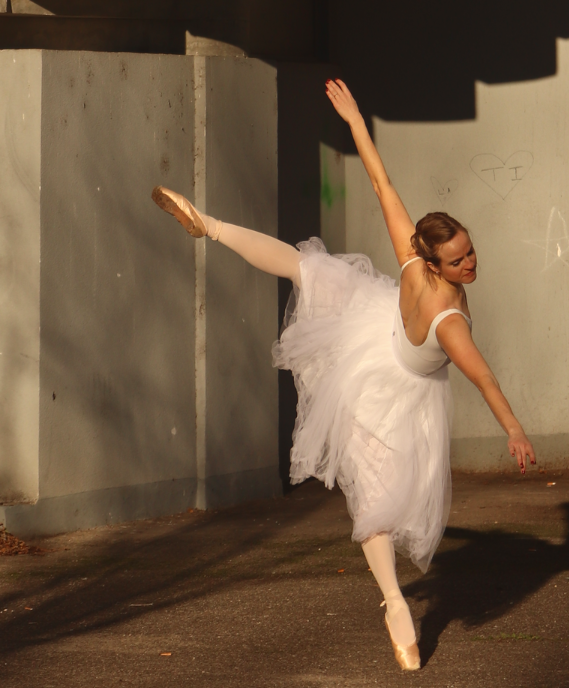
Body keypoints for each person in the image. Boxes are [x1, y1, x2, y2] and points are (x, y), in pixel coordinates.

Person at [151, 78, 535, 673]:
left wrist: (357, 122)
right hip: (391, 386)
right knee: (378, 501)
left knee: (310, 269)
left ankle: (214, 228)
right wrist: (514, 429)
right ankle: (395, 606)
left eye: (471, 251)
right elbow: (485, 380)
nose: (471, 262)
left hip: (375, 324)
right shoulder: (451, 321)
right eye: (459, 259)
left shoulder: (411, 260)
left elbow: (381, 182)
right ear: (432, 260)